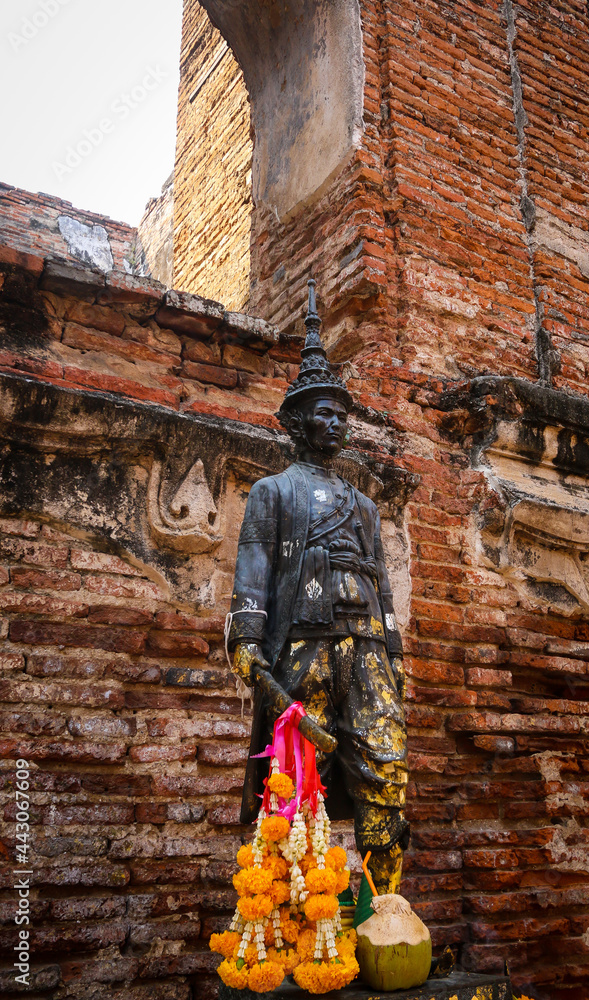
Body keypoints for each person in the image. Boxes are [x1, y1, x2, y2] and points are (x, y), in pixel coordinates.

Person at [227, 281, 409, 893]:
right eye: (323, 413)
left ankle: (386, 912)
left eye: (341, 413)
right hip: (303, 650)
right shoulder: (272, 494)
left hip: (367, 651)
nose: (334, 422)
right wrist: (248, 645)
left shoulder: (365, 507)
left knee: (387, 773)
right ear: (299, 423)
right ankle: (296, 919)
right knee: (298, 784)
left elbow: (381, 586)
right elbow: (251, 582)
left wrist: (395, 658)